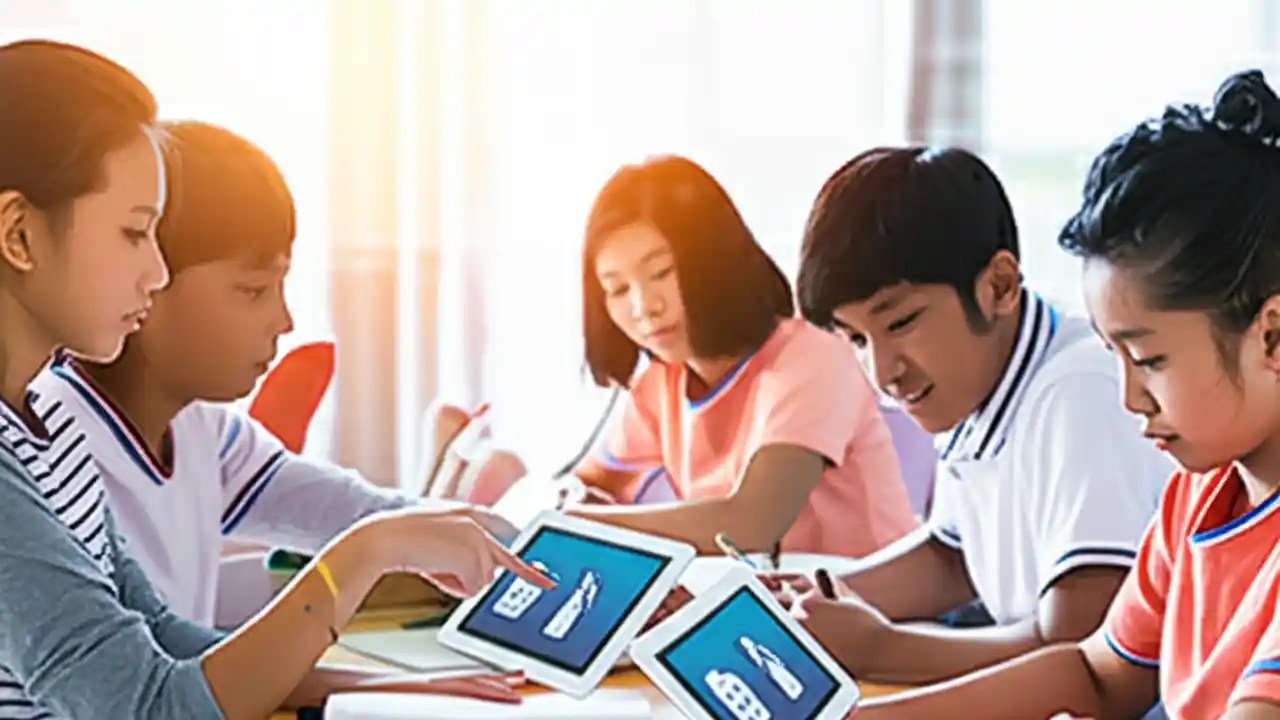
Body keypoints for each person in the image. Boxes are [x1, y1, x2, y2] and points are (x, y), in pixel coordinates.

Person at [0, 39, 550, 720]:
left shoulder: (43, 435)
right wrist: (366, 554)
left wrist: (385, 687)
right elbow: (146, 706)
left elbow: (173, 650)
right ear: (19, 236)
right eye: (134, 234)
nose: (156, 272)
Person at [847, 68, 1280, 720]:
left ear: (1272, 336)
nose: (1129, 397)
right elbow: (1096, 673)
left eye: (1149, 359)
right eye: (1115, 357)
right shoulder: (1200, 496)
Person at [31, 120, 499, 626]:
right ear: (147, 279)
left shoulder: (201, 428)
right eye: (253, 290)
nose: (285, 321)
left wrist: (491, 537)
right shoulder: (52, 453)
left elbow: (344, 507)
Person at [770, 145, 1170, 685]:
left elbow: (1078, 641)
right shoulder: (977, 382)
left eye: (902, 322)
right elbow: (953, 558)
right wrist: (821, 596)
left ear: (999, 286)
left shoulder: (1078, 392)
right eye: (856, 339)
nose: (883, 372)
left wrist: (877, 649)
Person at [445, 155, 916, 557]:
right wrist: (571, 500)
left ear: (715, 261)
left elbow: (753, 522)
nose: (642, 306)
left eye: (661, 273)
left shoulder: (810, 355)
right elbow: (593, 483)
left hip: (878, 616)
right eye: (617, 288)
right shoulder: (662, 382)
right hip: (772, 617)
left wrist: (573, 524)